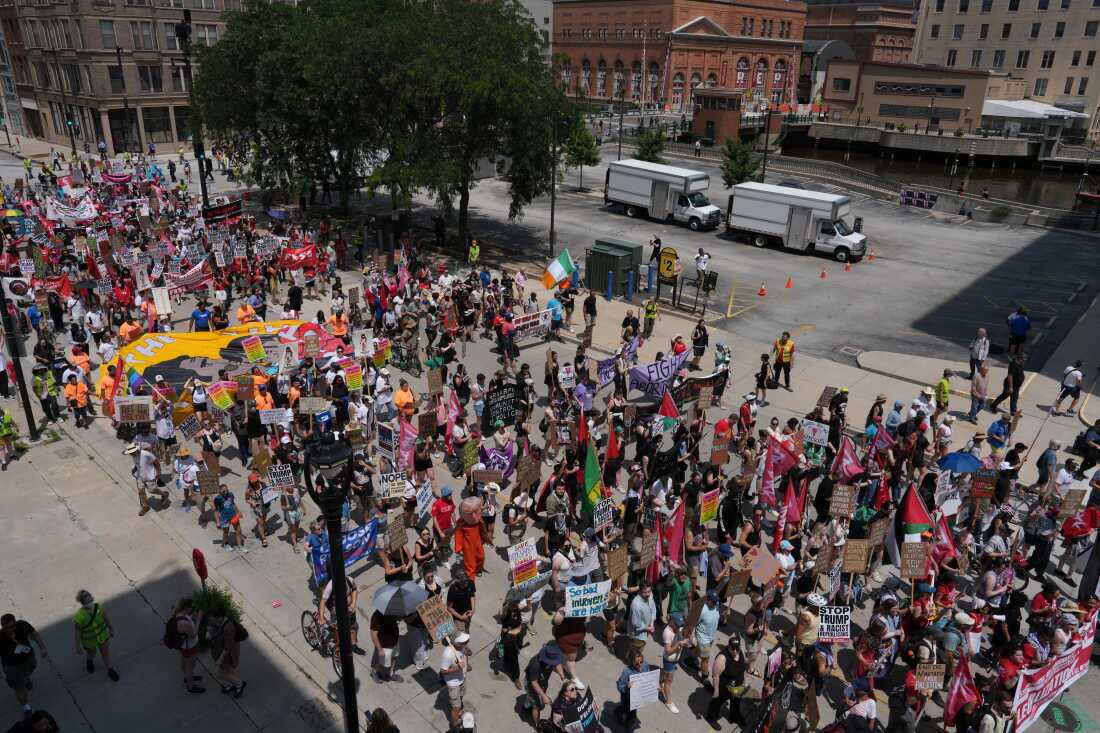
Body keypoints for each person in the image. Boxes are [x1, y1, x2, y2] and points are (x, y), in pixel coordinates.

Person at [0, 614, 47, 716]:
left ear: (15, 624)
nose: (9, 630)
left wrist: (42, 647)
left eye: (11, 627)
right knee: (19, 688)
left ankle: (26, 679)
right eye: (6, 628)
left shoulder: (22, 625)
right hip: (12, 666)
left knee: (30, 670)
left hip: (28, 659)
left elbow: (34, 635)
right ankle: (26, 707)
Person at [72, 590, 118, 681]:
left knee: (106, 654)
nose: (88, 597)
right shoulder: (79, 616)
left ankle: (110, 670)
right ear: (82, 601)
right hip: (89, 641)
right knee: (92, 654)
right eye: (85, 597)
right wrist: (77, 646)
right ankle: (89, 661)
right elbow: (77, 632)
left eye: (89, 595)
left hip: (102, 636)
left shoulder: (99, 607)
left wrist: (111, 629)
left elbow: (106, 619)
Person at [319, 576, 366, 655]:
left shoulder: (349, 580)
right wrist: (321, 617)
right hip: (336, 611)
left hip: (349, 609)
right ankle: (324, 644)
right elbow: (323, 601)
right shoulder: (330, 587)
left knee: (353, 627)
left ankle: (353, 646)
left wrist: (353, 603)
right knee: (334, 629)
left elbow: (354, 589)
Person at [207, 605, 246, 697]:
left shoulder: (228, 628)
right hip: (220, 652)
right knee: (228, 670)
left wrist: (220, 660)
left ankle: (239, 684)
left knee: (221, 674)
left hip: (228, 655)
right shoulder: (218, 622)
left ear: (220, 617)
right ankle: (232, 683)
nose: (211, 620)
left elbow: (228, 647)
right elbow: (214, 631)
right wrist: (209, 632)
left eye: (212, 618)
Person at [168, 598, 204, 694]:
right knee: (190, 667)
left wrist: (192, 616)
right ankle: (191, 687)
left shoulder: (176, 613)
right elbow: (193, 634)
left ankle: (188, 678)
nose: (192, 609)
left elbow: (184, 619)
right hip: (190, 647)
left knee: (184, 661)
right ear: (187, 607)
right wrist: (198, 620)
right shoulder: (184, 623)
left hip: (182, 646)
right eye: (191, 608)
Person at [439, 633, 470, 730]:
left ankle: (458, 706)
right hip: (454, 683)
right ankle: (454, 723)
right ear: (456, 643)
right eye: (464, 642)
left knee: (461, 695)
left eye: (467, 641)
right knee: (455, 708)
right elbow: (442, 671)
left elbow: (465, 655)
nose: (466, 643)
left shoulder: (462, 647)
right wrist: (456, 668)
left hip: (462, 678)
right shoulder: (448, 654)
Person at [615, 649, 650, 731]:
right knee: (631, 716)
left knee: (624, 708)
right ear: (631, 662)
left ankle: (617, 712)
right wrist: (627, 686)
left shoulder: (645, 664)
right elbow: (619, 686)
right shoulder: (626, 671)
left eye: (641, 662)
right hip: (628, 697)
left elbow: (648, 675)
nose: (640, 665)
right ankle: (628, 729)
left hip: (638, 694)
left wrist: (654, 686)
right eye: (637, 663)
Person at [660, 612, 685, 713]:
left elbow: (683, 634)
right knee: (669, 681)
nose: (679, 627)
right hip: (669, 660)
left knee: (665, 675)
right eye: (677, 625)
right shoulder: (667, 633)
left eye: (680, 625)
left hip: (674, 660)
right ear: (671, 622)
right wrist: (678, 644)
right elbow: (668, 651)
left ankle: (660, 682)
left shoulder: (677, 629)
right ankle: (668, 702)